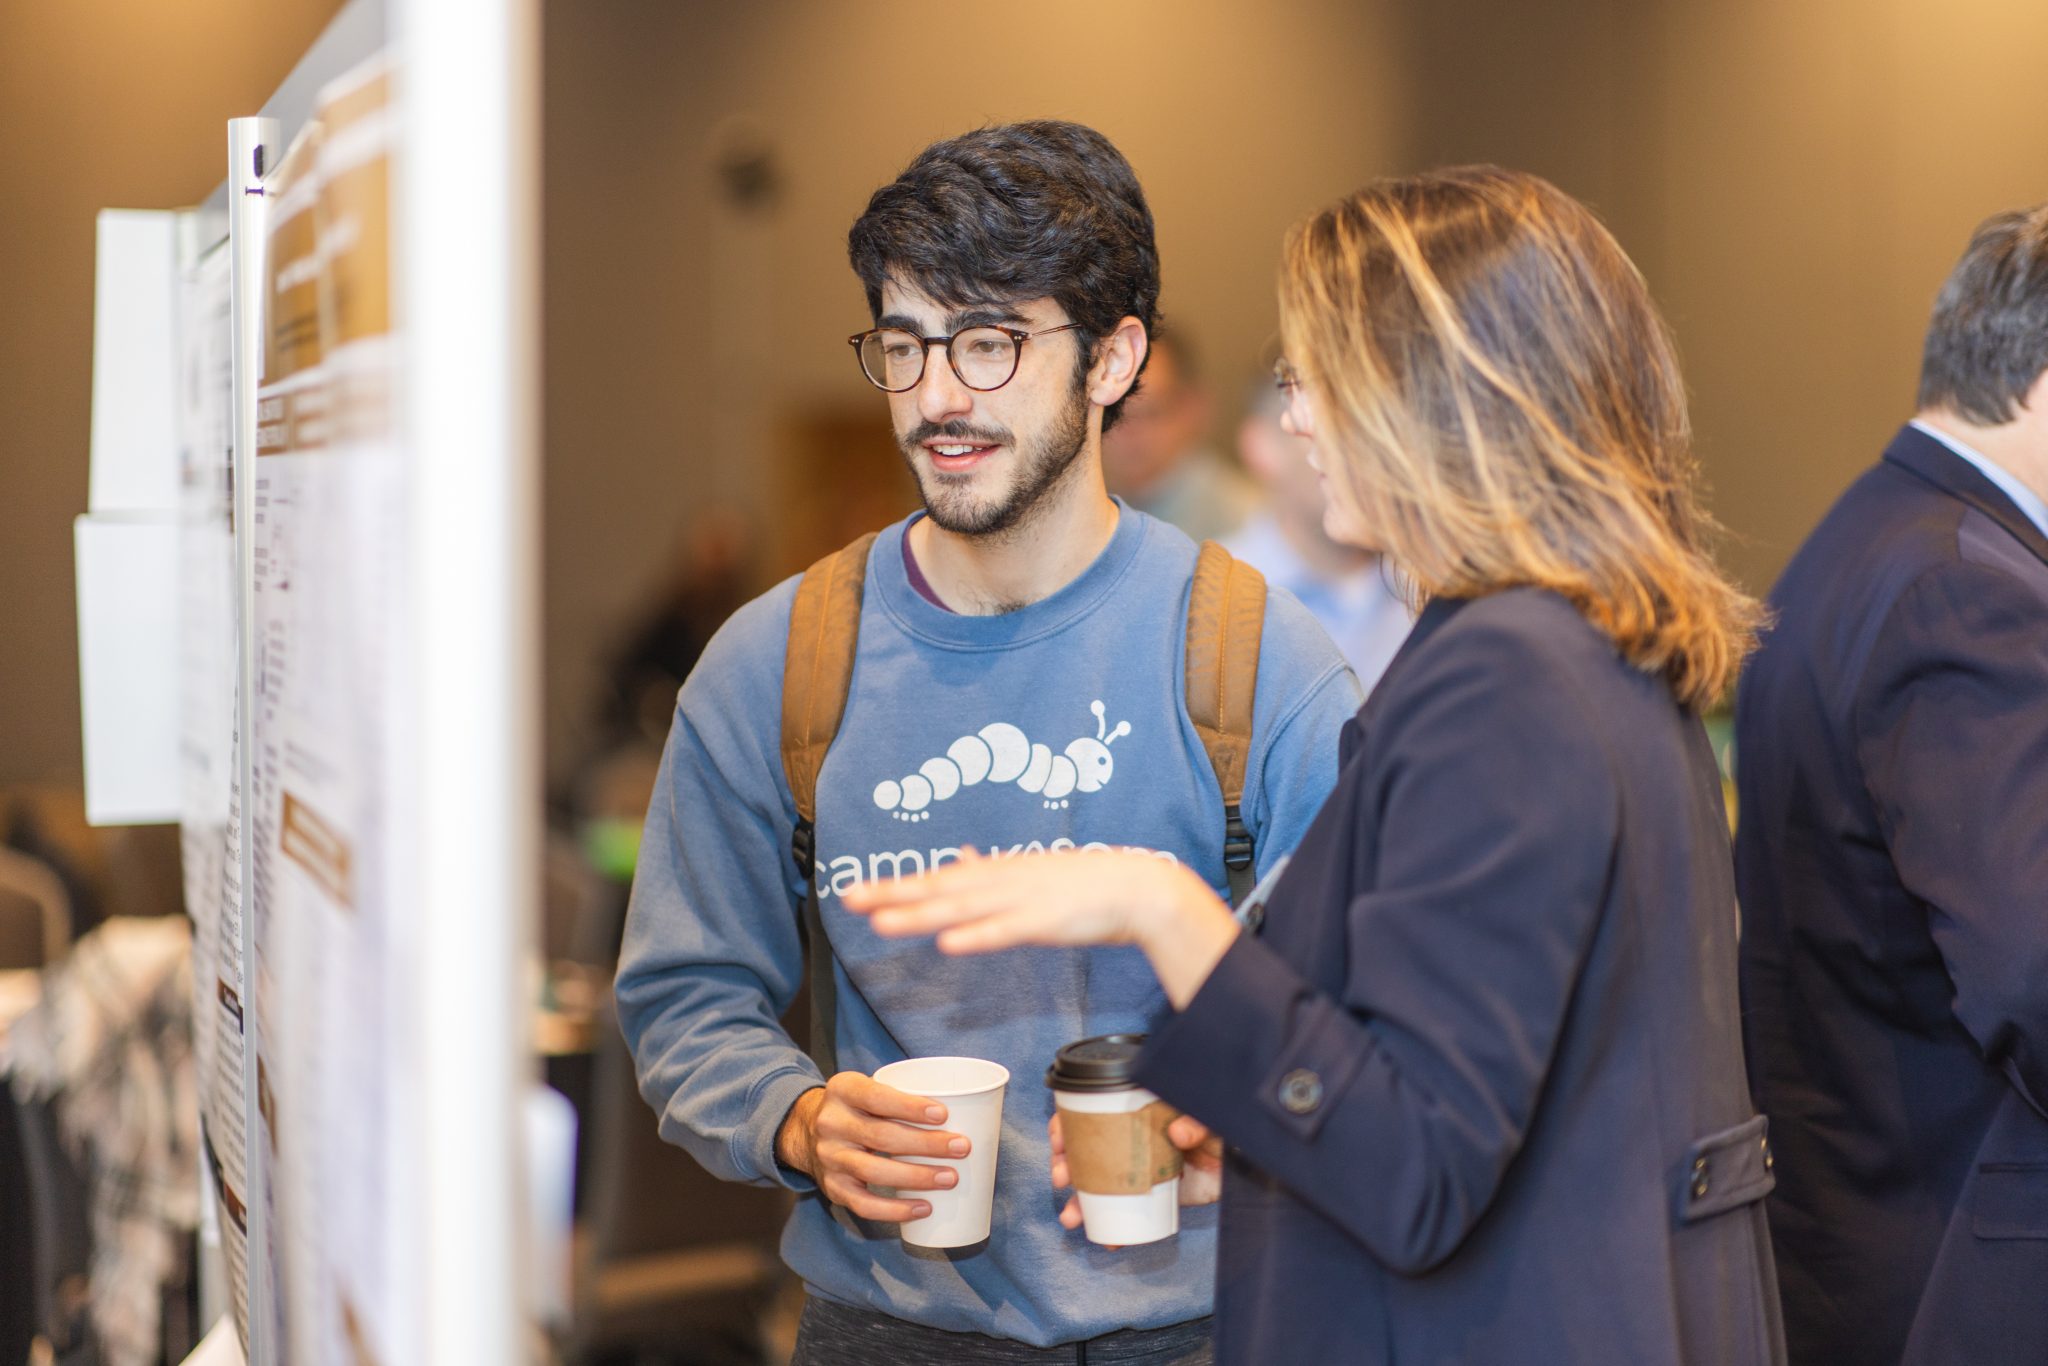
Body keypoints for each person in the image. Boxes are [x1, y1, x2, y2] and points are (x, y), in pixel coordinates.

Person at [850, 166, 1786, 1365]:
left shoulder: (1505, 680)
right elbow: (1500, 1101)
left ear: (1439, 395)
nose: (1291, 422)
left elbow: (1414, 1169)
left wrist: (1157, 905)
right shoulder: (1585, 640)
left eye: (1313, 378)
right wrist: (1260, 1140)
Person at [612, 121, 1360, 1363]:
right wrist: (795, 1118)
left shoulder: (1256, 662)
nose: (939, 396)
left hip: (1206, 1323)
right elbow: (683, 991)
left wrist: (1252, 1114)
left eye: (990, 343)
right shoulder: (778, 664)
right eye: (902, 347)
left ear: (1114, 358)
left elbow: (1352, 1012)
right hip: (887, 1323)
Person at [1734, 204, 2048, 1364]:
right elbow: (2033, 970)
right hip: (1957, 1262)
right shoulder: (1963, 586)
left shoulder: (1881, 536)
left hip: (1871, 1236)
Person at [1224, 378, 1412, 690]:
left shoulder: (1427, 586)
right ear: (1262, 446)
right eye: (1338, 427)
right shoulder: (1214, 601)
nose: (1367, 451)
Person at [1100, 333, 1260, 543]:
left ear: (1193, 408)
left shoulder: (1248, 521)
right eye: (1115, 415)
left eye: (1151, 412)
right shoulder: (1087, 516)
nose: (1130, 432)